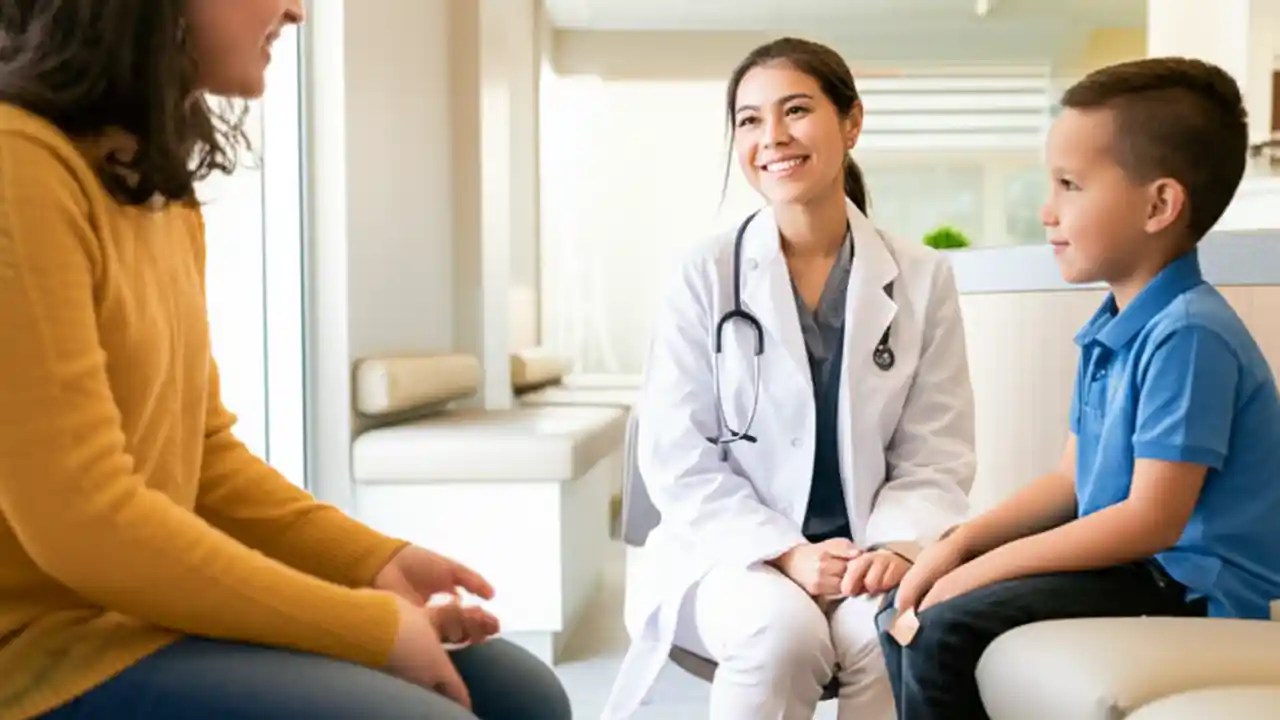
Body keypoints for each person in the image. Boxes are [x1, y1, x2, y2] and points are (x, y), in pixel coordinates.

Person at [0, 2, 571, 719]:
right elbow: (84, 524)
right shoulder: (19, 168)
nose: (297, 10)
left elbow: (204, 458)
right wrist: (363, 626)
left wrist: (370, 563)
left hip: (137, 623)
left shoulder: (155, 191)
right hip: (37, 659)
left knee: (522, 696)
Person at [877, 56, 1280, 719]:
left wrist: (980, 571)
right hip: (1143, 569)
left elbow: (1150, 519)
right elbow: (1070, 481)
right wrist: (958, 544)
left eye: (1069, 185)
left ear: (1159, 205)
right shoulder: (1112, 328)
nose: (1047, 211)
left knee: (942, 628)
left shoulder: (1190, 333)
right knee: (905, 610)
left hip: (1193, 585)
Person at [604, 37, 975, 720]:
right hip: (730, 553)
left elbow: (936, 452)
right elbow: (678, 459)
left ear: (851, 122)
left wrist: (893, 549)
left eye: (796, 110)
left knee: (888, 629)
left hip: (869, 550)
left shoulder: (922, 277)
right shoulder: (704, 274)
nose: (772, 136)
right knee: (781, 633)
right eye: (749, 120)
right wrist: (785, 553)